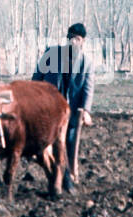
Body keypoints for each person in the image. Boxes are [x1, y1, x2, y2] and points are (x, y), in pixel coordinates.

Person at [32, 23, 93, 192]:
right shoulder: (51, 54)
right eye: (71, 38)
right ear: (67, 39)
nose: (74, 42)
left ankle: (66, 176)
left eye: (77, 39)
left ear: (83, 41)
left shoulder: (86, 63)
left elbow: (88, 88)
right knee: (55, 144)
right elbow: (36, 79)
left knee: (69, 142)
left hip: (72, 112)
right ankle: (64, 180)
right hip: (51, 110)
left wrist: (86, 111)